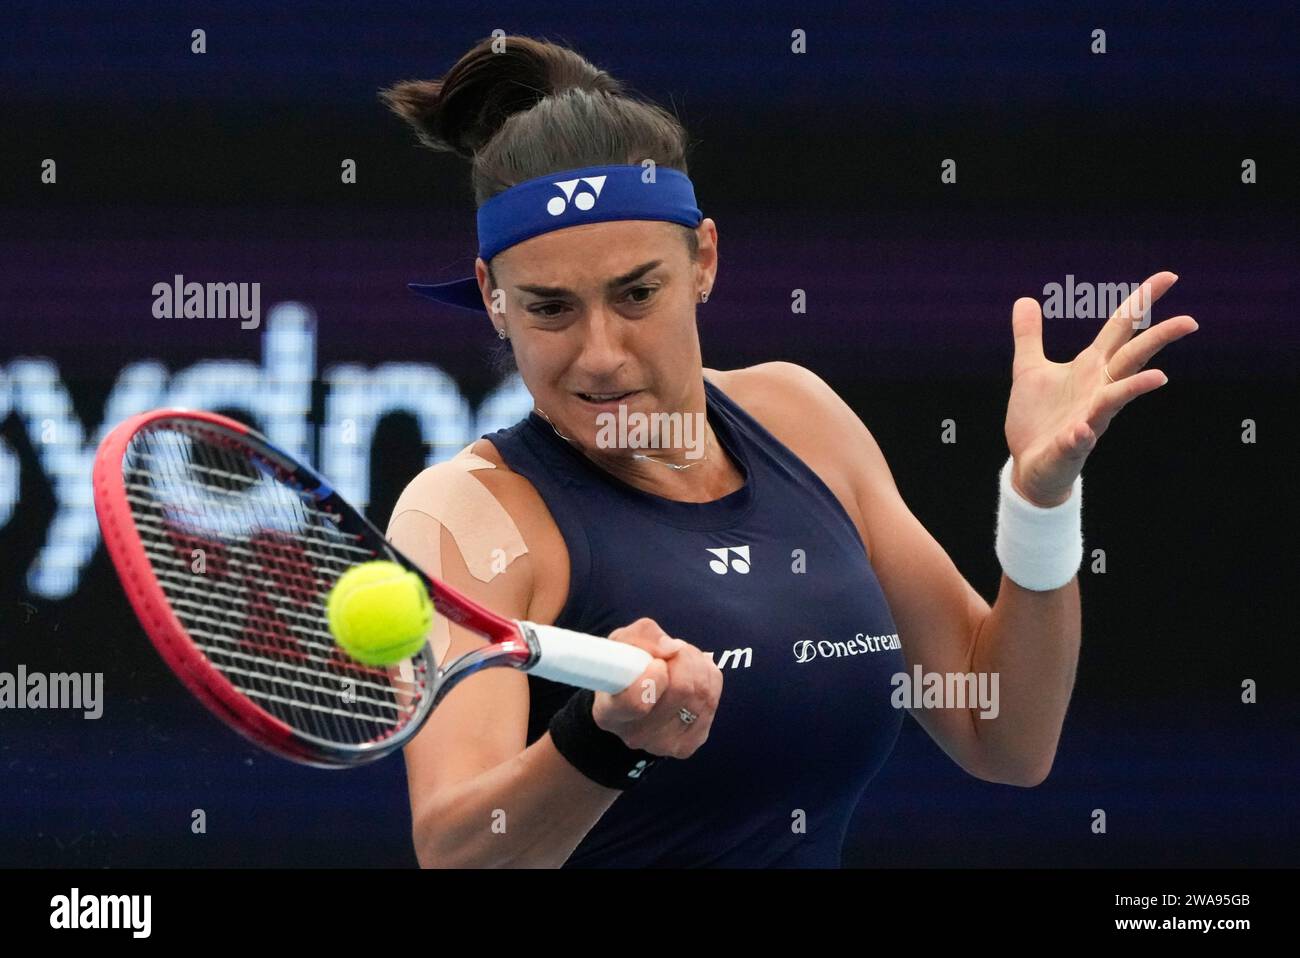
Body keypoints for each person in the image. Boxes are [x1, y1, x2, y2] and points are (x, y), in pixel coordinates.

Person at [380, 35, 1198, 868]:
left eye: (637, 293)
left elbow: (1006, 736)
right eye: (550, 309)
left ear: (703, 259)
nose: (599, 353)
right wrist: (604, 742)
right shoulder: (469, 514)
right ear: (492, 298)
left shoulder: (798, 416)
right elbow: (456, 853)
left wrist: (1039, 500)